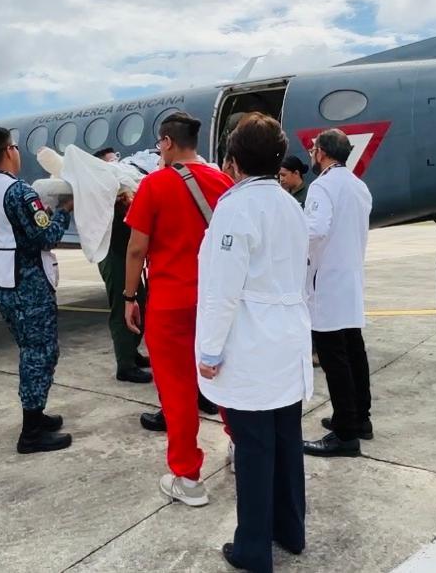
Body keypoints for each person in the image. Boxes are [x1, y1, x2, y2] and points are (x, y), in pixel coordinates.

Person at [197, 113, 313, 573]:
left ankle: (252, 548)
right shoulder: (289, 203)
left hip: (252, 340)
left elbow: (221, 289)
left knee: (253, 447)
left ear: (232, 160)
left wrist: (209, 350)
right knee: (287, 438)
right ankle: (291, 529)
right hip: (288, 336)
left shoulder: (235, 207)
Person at [123, 112, 233, 505]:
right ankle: (238, 446)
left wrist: (129, 297)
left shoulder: (154, 184)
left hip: (170, 303)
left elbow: (136, 248)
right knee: (222, 378)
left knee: (177, 390)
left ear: (167, 142)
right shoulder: (223, 182)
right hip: (216, 301)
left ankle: (188, 478)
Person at [0, 127, 75, 454]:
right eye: (15, 147)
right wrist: (63, 212)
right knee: (40, 353)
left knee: (31, 349)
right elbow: (46, 237)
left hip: (1, 280)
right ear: (8, 151)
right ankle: (31, 432)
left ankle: (37, 414)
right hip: (26, 283)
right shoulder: (19, 192)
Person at [301, 129, 375, 458]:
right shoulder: (358, 185)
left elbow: (315, 229)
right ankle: (360, 419)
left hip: (328, 281)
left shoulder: (322, 185)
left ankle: (345, 433)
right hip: (350, 279)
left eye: (313, 150)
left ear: (321, 153)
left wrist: (291, 233)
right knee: (354, 351)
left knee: (335, 359)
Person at [92, 147, 152, 384]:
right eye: (109, 162)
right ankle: (124, 365)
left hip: (126, 254)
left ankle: (132, 351)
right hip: (113, 255)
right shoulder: (99, 195)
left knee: (142, 302)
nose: (116, 164)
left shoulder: (122, 190)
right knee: (122, 307)